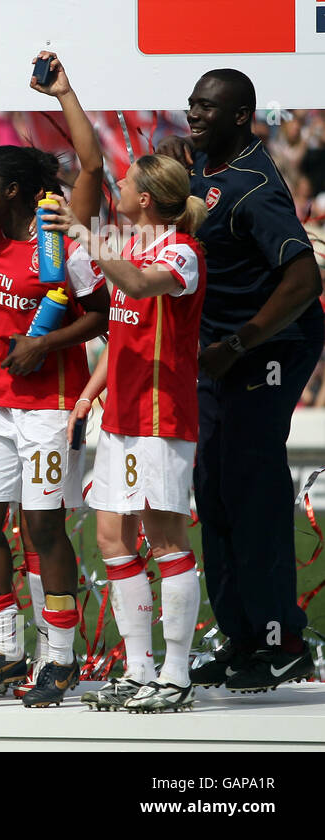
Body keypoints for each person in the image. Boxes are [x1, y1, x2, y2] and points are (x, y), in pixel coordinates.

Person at [0, 55, 110, 708]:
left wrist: (46, 342)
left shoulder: (56, 234)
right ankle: (4, 648)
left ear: (12, 191)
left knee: (42, 529)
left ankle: (59, 658)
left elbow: (97, 315)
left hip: (48, 408)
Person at [158, 69, 324, 692]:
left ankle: (282, 642)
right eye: (192, 103)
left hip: (270, 346)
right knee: (215, 489)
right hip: (221, 353)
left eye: (207, 107)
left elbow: (306, 281)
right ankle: (243, 638)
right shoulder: (200, 161)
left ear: (241, 116)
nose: (193, 114)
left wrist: (239, 341)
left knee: (250, 490)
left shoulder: (256, 186)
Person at [46, 156, 209, 712]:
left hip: (161, 418)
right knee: (112, 539)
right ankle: (139, 669)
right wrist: (91, 394)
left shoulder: (181, 251)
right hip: (122, 415)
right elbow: (119, 336)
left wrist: (83, 234)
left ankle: (177, 673)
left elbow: (138, 287)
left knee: (165, 541)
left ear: (146, 198)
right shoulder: (132, 248)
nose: (117, 186)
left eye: (125, 182)